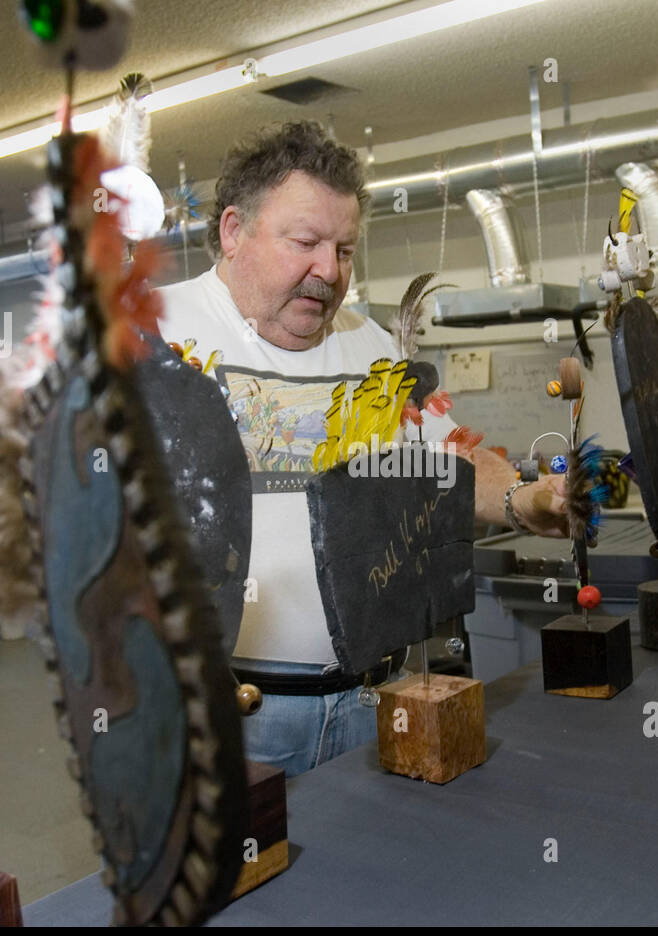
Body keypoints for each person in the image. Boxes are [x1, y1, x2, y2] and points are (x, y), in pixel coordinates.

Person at [157, 121, 567, 775]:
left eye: (345, 249)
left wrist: (529, 498)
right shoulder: (147, 331)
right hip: (226, 717)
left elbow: (445, 460)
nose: (330, 270)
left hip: (380, 698)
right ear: (234, 232)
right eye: (306, 242)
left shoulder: (371, 345)